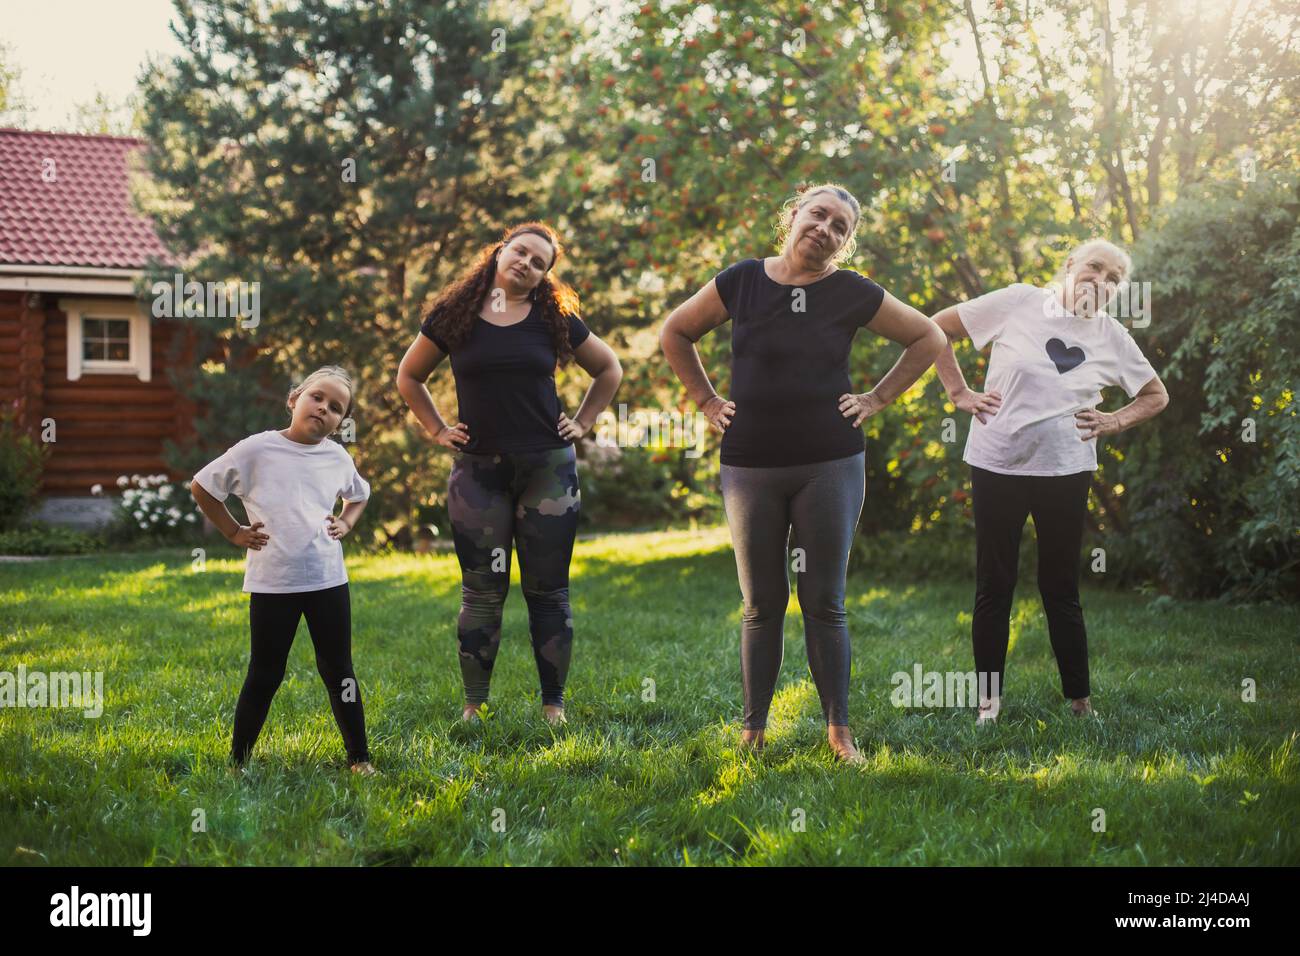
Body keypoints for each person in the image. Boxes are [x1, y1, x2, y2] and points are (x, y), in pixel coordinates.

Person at [660, 183, 945, 763]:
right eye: (818, 214)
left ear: (845, 244)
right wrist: (709, 402)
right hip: (750, 463)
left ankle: (839, 732)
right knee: (761, 602)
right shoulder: (741, 280)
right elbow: (676, 332)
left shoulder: (850, 292)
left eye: (840, 226)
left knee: (824, 599)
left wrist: (876, 399)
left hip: (830, 462)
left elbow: (928, 336)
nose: (825, 228)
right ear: (793, 216)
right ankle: (754, 730)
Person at [929, 238, 1170, 724]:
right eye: (1094, 268)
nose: (1101, 282)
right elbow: (934, 329)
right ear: (1069, 266)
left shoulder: (1112, 336)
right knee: (994, 583)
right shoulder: (1019, 301)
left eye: (1113, 279)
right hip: (996, 462)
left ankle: (1080, 703)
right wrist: (958, 392)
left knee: (1060, 586)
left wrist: (1113, 421)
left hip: (1066, 470)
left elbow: (1155, 394)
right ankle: (988, 705)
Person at [396, 222, 622, 725]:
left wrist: (582, 422)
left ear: (544, 275)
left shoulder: (555, 319)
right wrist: (436, 429)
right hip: (478, 473)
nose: (526, 263)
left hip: (547, 470)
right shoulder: (454, 315)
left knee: (549, 590)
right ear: (501, 252)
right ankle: (474, 705)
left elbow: (609, 369)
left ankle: (552, 706)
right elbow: (409, 376)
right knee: (481, 590)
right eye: (520, 252)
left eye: (539, 262)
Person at [190, 365, 376, 773]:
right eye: (317, 398)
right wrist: (235, 532)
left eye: (336, 408)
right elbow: (203, 486)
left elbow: (359, 495)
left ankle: (359, 759)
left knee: (338, 670)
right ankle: (238, 762)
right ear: (294, 399)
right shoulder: (256, 450)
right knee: (266, 672)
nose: (324, 409)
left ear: (341, 423)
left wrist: (345, 521)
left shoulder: (336, 456)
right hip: (274, 582)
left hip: (328, 580)